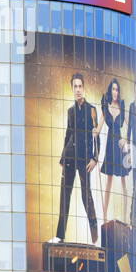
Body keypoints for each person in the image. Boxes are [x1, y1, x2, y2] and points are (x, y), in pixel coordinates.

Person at [50, 73, 100, 244]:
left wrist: (95, 158)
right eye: (75, 87)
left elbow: (96, 137)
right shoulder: (70, 111)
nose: (78, 90)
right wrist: (63, 158)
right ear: (72, 89)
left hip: (85, 159)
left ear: (84, 88)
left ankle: (95, 236)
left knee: (87, 196)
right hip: (70, 156)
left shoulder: (92, 109)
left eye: (80, 86)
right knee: (65, 195)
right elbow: (68, 134)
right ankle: (60, 234)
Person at [99, 78, 130, 224]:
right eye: (113, 89)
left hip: (120, 144)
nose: (115, 92)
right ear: (110, 90)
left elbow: (129, 127)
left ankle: (126, 218)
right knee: (108, 183)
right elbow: (98, 127)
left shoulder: (122, 106)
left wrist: (127, 141)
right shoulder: (106, 106)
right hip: (110, 145)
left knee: (124, 181)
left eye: (117, 89)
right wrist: (92, 130)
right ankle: (104, 217)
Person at [126, 100, 136, 227]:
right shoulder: (133, 106)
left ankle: (134, 217)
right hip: (135, 149)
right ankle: (132, 216)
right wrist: (129, 150)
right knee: (134, 185)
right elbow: (129, 129)